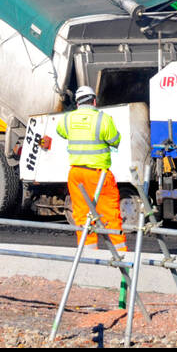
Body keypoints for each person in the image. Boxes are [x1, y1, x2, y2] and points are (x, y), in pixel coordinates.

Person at [55, 85, 127, 254]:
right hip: (99, 175)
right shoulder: (103, 119)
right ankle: (121, 257)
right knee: (110, 215)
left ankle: (88, 254)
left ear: (78, 103)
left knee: (81, 216)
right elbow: (115, 140)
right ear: (94, 101)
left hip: (76, 174)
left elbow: (61, 132)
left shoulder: (67, 119)